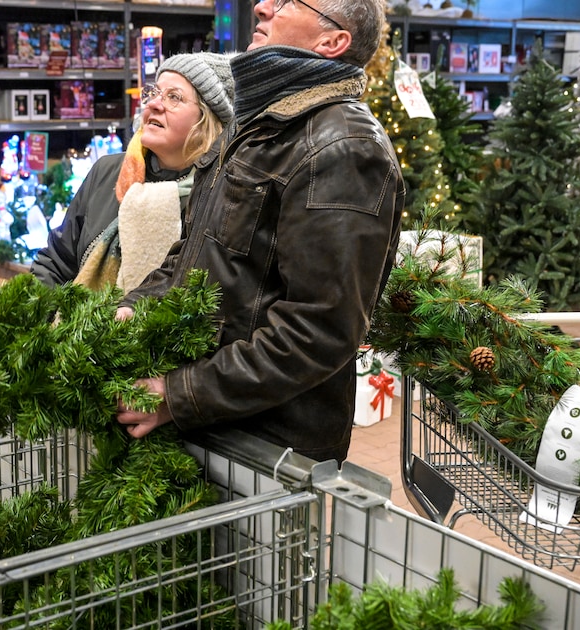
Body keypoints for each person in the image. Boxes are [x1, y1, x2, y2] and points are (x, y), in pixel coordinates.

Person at [115, 0, 405, 464]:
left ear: (332, 41)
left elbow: (317, 331)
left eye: (289, 0)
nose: (262, 5)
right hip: (214, 426)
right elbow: (194, 251)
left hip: (268, 450)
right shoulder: (258, 123)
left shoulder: (344, 149)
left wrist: (178, 394)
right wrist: (133, 307)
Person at [30, 52, 235, 291]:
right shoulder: (108, 171)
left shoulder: (218, 192)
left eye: (174, 97)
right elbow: (56, 263)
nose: (155, 104)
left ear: (206, 119)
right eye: (155, 93)